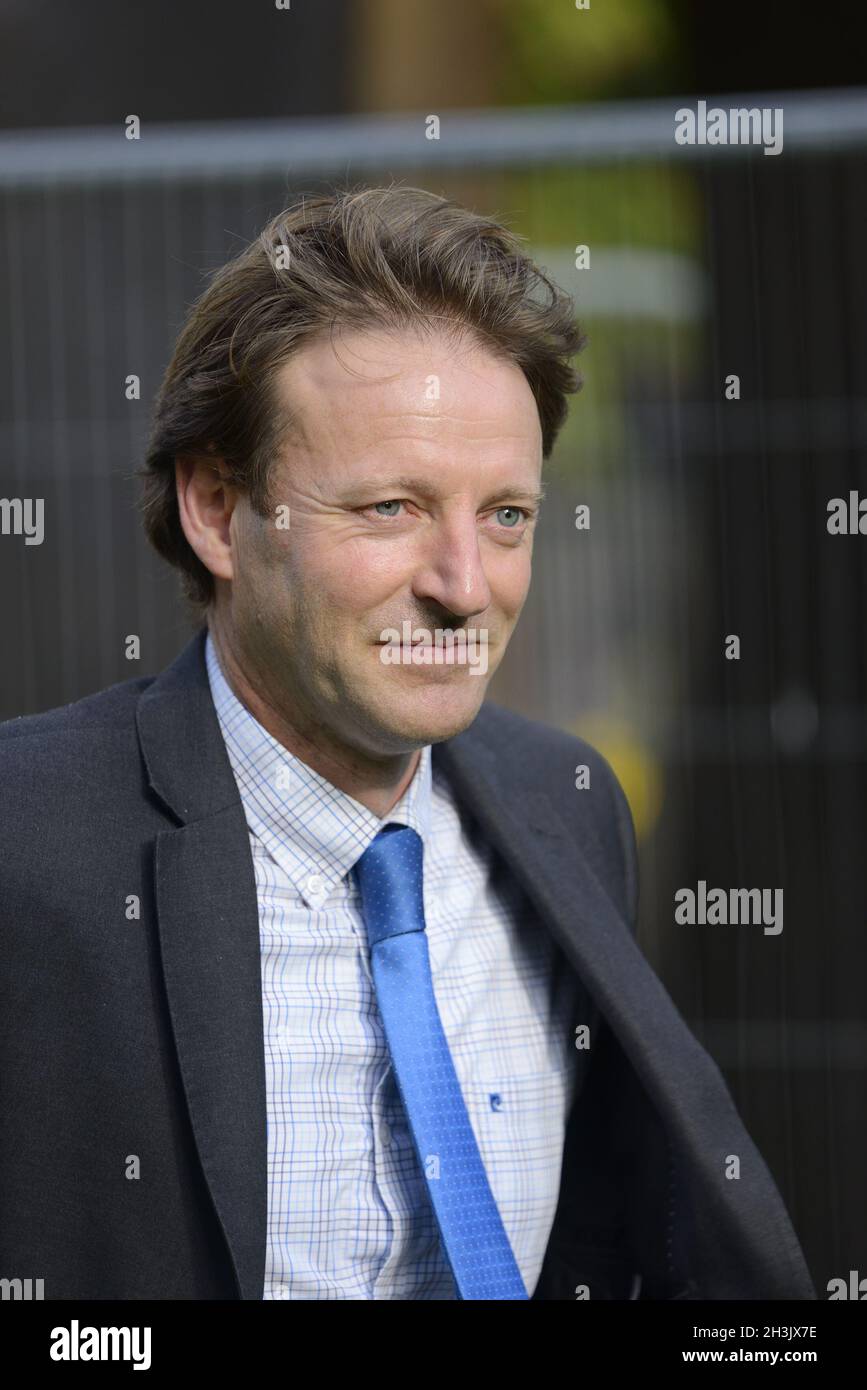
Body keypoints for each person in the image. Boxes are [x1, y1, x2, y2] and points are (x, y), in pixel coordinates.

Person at [0, 186, 815, 1301]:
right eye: (391, 508)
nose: (464, 587)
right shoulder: (28, 838)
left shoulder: (566, 805)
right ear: (215, 506)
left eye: (507, 516)